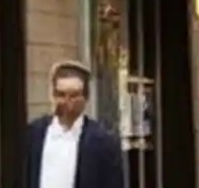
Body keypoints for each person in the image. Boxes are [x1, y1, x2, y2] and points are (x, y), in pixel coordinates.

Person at [23, 60, 124, 188]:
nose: (67, 102)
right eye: (61, 95)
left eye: (74, 95)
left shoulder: (104, 141)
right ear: (52, 96)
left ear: (86, 97)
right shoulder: (34, 133)